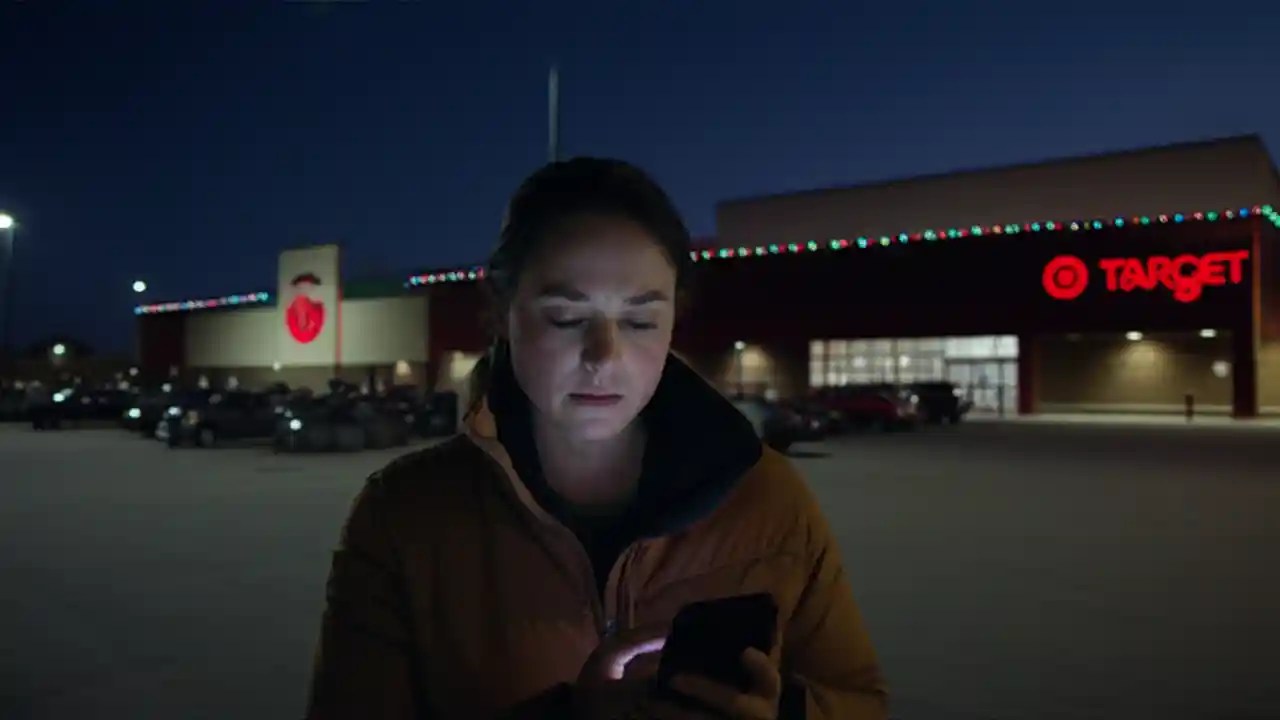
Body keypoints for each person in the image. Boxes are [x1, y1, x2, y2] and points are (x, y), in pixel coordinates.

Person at [305, 158, 888, 719]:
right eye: (565, 317)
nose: (604, 357)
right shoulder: (402, 519)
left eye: (640, 321)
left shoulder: (769, 499)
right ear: (503, 311)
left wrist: (779, 712)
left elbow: (858, 699)